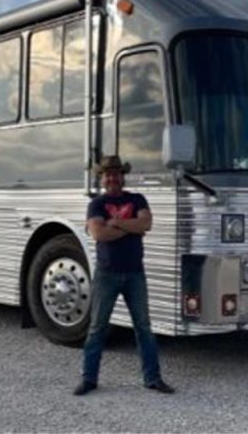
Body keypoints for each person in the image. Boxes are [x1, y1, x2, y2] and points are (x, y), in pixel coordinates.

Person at [73, 155, 174, 396]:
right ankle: (89, 379)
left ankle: (153, 378)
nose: (113, 178)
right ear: (102, 178)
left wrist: (116, 223)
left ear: (122, 176)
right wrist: (131, 227)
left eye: (116, 173)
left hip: (135, 274)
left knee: (144, 328)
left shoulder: (137, 198)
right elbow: (99, 234)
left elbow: (146, 224)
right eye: (108, 174)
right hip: (106, 273)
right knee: (98, 327)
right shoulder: (96, 203)